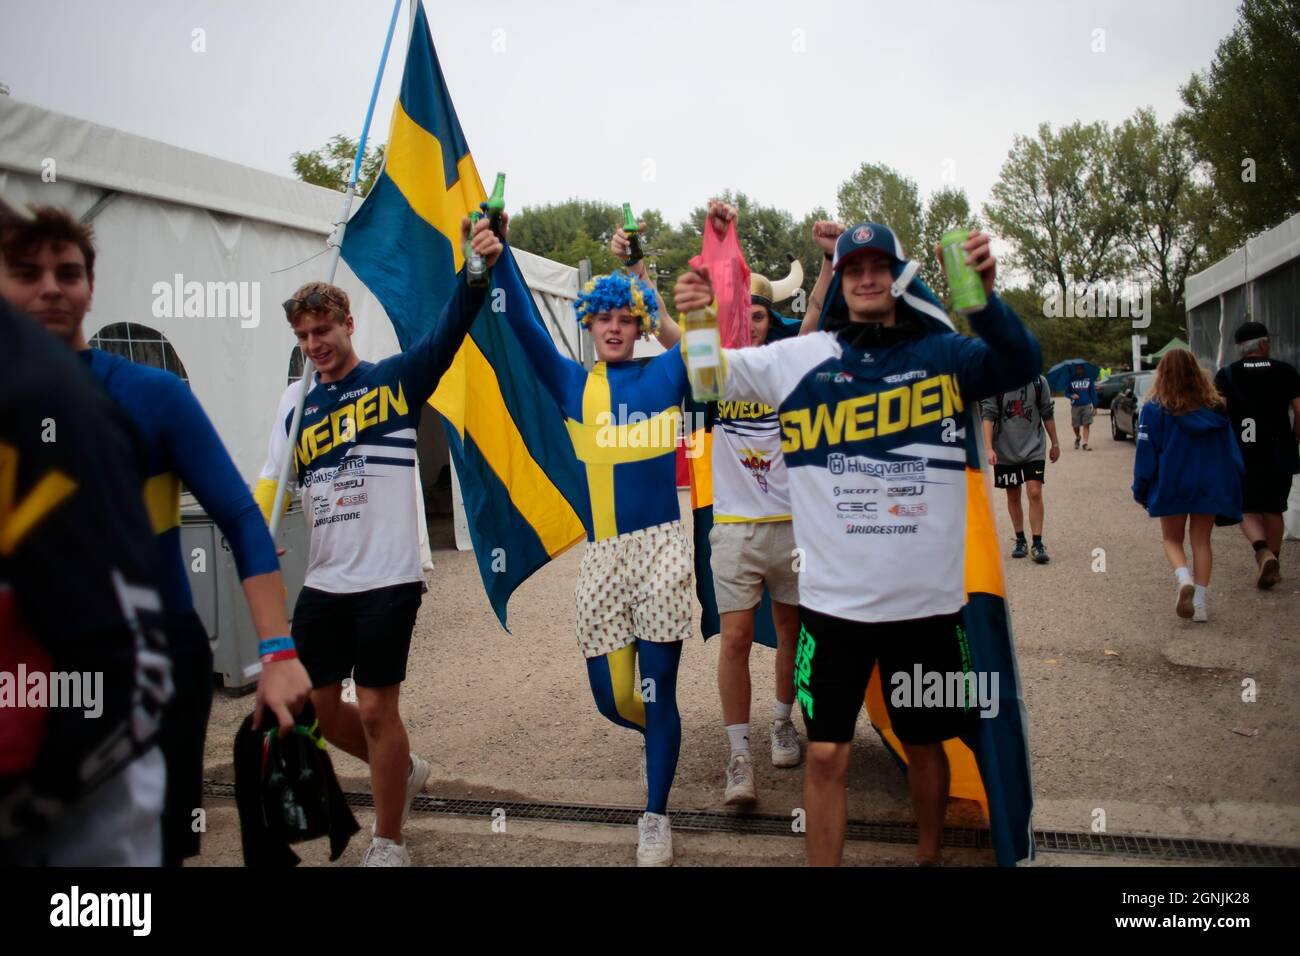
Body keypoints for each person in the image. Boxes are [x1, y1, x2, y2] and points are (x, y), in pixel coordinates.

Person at [675, 222, 1040, 865]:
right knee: (824, 752)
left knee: (924, 745)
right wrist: (701, 316)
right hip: (833, 609)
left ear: (897, 279)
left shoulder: (942, 355)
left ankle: (928, 858)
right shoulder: (800, 358)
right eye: (853, 269)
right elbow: (709, 379)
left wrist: (984, 302)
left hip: (925, 607)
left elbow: (1020, 363)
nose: (866, 278)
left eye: (879, 267)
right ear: (841, 282)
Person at [0, 203, 310, 867]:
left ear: (91, 285)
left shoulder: (153, 394)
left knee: (147, 858)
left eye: (69, 271)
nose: (51, 287)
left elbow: (240, 516)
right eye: (27, 272)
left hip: (155, 658)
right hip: (20, 663)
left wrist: (278, 652)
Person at [254, 215, 504, 867]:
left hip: (388, 579)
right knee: (310, 704)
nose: (315, 345)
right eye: (304, 336)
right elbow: (267, 482)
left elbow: (453, 325)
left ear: (347, 326)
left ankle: (388, 839)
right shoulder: (293, 402)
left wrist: (476, 266)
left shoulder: (394, 379)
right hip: (325, 580)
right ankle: (404, 765)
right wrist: (256, 540)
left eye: (324, 331)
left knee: (373, 709)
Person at [614, 205, 841, 805]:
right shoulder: (713, 368)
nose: (756, 322)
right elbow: (663, 321)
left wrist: (827, 260)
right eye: (750, 312)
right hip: (735, 529)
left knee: (793, 630)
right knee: (737, 637)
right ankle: (739, 756)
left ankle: (782, 722)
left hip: (793, 529)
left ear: (772, 321)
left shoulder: (792, 365)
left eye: (764, 314)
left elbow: (817, 313)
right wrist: (636, 260)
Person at [505, 212, 693, 866]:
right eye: (603, 318)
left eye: (626, 318)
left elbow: (704, 351)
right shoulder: (571, 383)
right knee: (616, 699)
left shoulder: (665, 375)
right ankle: (662, 738)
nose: (614, 328)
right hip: (604, 556)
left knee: (659, 689)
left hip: (664, 549)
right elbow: (525, 326)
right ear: (588, 324)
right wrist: (498, 250)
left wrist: (641, 275)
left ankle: (655, 813)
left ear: (637, 324)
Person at [1133, 349, 1243, 622]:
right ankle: (1201, 605)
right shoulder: (1215, 408)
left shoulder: (1155, 409)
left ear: (1163, 374)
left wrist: (1141, 488)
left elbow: (1146, 453)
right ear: (1196, 372)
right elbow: (1229, 450)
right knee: (1202, 540)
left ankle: (1184, 579)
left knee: (1172, 539)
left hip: (1172, 482)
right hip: (1208, 484)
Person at [1213, 320, 1300, 589]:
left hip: (1242, 453)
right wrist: (1295, 437)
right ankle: (1274, 561)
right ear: (1263, 343)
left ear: (1240, 348)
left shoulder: (1226, 375)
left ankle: (1262, 552)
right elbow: (1299, 409)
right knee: (1274, 508)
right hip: (1279, 451)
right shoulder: (1286, 371)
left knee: (1246, 508)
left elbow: (1219, 413)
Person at [980, 375, 1060, 562]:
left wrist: (1055, 443)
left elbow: (1047, 412)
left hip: (1034, 447)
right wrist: (989, 447)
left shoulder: (1038, 382)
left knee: (1034, 492)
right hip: (1005, 450)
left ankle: (1037, 543)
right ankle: (1020, 539)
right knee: (1013, 494)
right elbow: (988, 415)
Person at [1068, 362, 1097, 450]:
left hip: (1086, 405)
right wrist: (1071, 395)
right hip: (1075, 406)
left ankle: (1085, 443)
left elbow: (1093, 393)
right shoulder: (1071, 379)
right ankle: (1078, 437)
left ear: (1083, 369)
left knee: (1086, 424)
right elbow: (1067, 392)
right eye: (1078, 369)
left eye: (1081, 368)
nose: (1080, 370)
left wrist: (1095, 406)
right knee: (1075, 426)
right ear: (1076, 370)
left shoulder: (1088, 379)